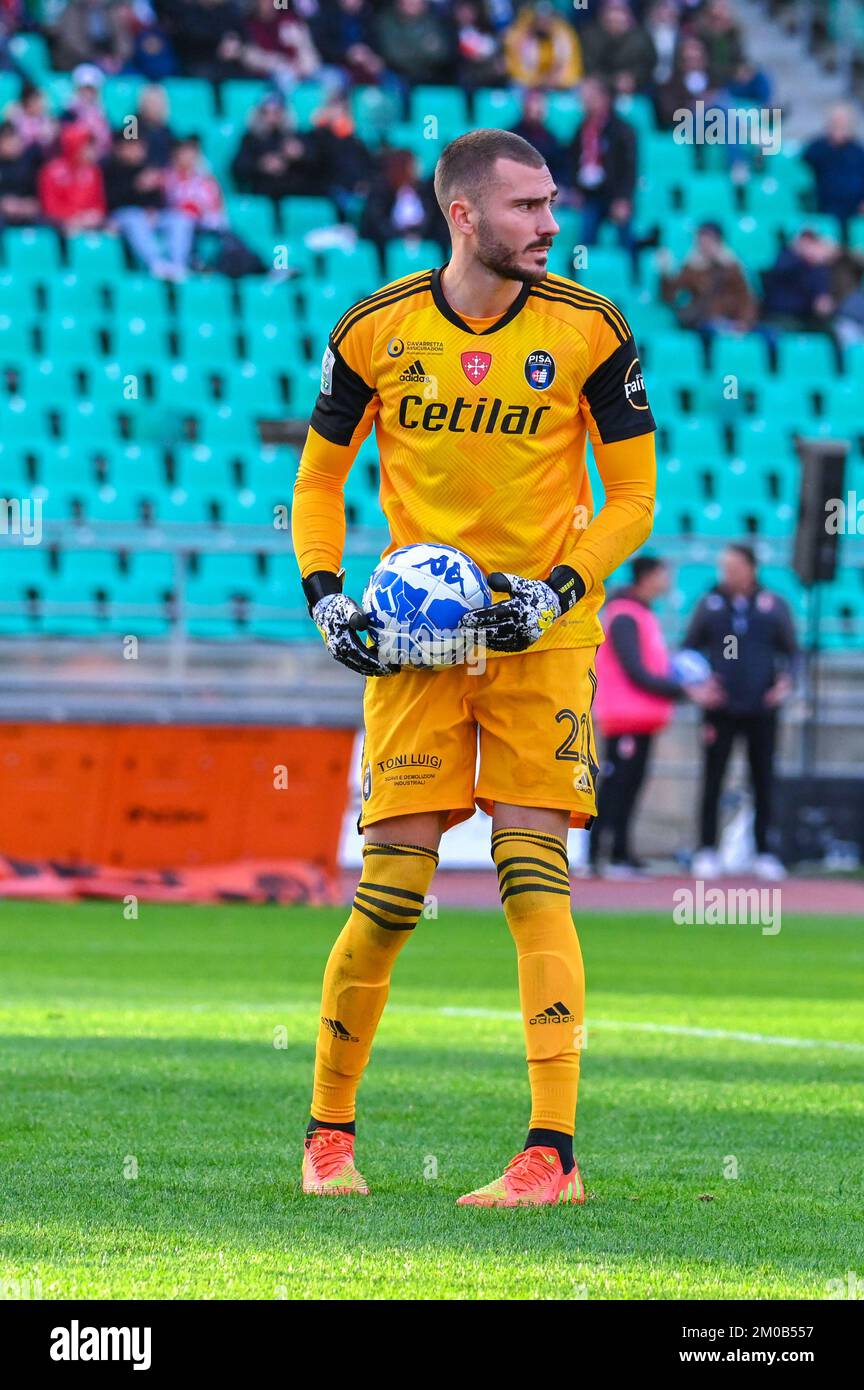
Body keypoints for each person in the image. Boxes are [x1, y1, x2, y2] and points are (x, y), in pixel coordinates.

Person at [292, 127, 657, 1206]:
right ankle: (327, 1141)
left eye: (552, 203)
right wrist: (326, 597)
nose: (551, 224)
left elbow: (633, 499)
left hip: (542, 634)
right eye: (528, 207)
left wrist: (559, 587)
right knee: (394, 887)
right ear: (463, 214)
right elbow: (317, 487)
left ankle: (552, 1155)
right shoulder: (374, 328)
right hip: (416, 636)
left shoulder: (591, 330)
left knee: (531, 869)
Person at [591, 556, 721, 877]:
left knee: (630, 784)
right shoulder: (624, 616)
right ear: (647, 577)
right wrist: (684, 690)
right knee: (617, 785)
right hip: (625, 717)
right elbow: (636, 672)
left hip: (642, 716)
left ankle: (620, 852)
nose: (667, 581)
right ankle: (599, 856)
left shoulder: (640, 614)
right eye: (663, 574)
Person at [684, 545, 799, 881]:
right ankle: (706, 849)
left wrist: (785, 684)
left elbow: (793, 653)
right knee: (712, 777)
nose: (727, 573)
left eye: (733, 566)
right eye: (723, 567)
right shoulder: (710, 604)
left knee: (763, 778)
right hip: (720, 709)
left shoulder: (773, 605)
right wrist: (697, 686)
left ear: (750, 568)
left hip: (761, 708)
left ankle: (763, 851)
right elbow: (688, 650)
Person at [103, 128, 192, 280]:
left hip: (150, 217)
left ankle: (178, 264)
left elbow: (158, 200)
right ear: (119, 148)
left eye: (139, 145)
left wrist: (152, 210)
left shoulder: (148, 169)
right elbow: (110, 200)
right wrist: (135, 186)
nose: (136, 150)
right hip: (121, 217)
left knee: (181, 218)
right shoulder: (110, 169)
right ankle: (155, 263)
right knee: (134, 217)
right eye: (130, 146)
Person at [569, 77, 636, 250]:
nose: (586, 101)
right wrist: (576, 189)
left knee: (626, 241)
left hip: (614, 193)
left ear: (604, 98)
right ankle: (580, 273)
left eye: (590, 96)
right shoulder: (581, 129)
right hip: (590, 194)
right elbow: (574, 160)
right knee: (585, 240)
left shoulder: (622, 130)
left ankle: (632, 273)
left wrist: (623, 198)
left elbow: (629, 168)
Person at [659, 220, 757, 336]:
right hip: (705, 323)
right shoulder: (692, 267)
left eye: (709, 241)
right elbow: (670, 296)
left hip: (733, 320)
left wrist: (744, 322)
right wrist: (666, 275)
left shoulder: (732, 266)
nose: (705, 245)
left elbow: (746, 298)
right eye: (702, 241)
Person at [803, 105, 864, 239]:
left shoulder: (858, 150)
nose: (839, 127)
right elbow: (803, 165)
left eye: (843, 123)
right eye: (836, 122)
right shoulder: (818, 147)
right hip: (827, 206)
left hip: (855, 208)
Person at [38, 121, 106, 233]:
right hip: (60, 224)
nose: (92, 152)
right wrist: (74, 218)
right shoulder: (52, 171)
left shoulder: (94, 172)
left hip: (88, 222)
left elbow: (99, 204)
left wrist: (91, 217)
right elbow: (49, 207)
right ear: (74, 146)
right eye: (87, 147)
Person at [581, 0, 658, 94]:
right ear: (602, 14)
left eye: (620, 11)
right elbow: (589, 67)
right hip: (599, 87)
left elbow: (648, 65)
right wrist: (613, 82)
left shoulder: (641, 37)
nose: (616, 17)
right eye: (611, 11)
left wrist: (633, 78)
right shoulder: (590, 35)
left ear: (629, 15)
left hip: (635, 87)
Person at [504, 1, 582, 89]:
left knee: (577, 89)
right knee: (516, 87)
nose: (544, 22)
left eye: (548, 18)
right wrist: (539, 81)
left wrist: (555, 80)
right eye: (541, 18)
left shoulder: (564, 34)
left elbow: (572, 71)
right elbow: (516, 71)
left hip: (557, 85)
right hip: (529, 85)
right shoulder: (520, 34)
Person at [0, 120, 41, 228]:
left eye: (16, 139)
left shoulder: (28, 164)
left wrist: (30, 204)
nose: (13, 144)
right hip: (3, 214)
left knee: (46, 225)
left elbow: (34, 195)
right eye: (7, 140)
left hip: (24, 211)